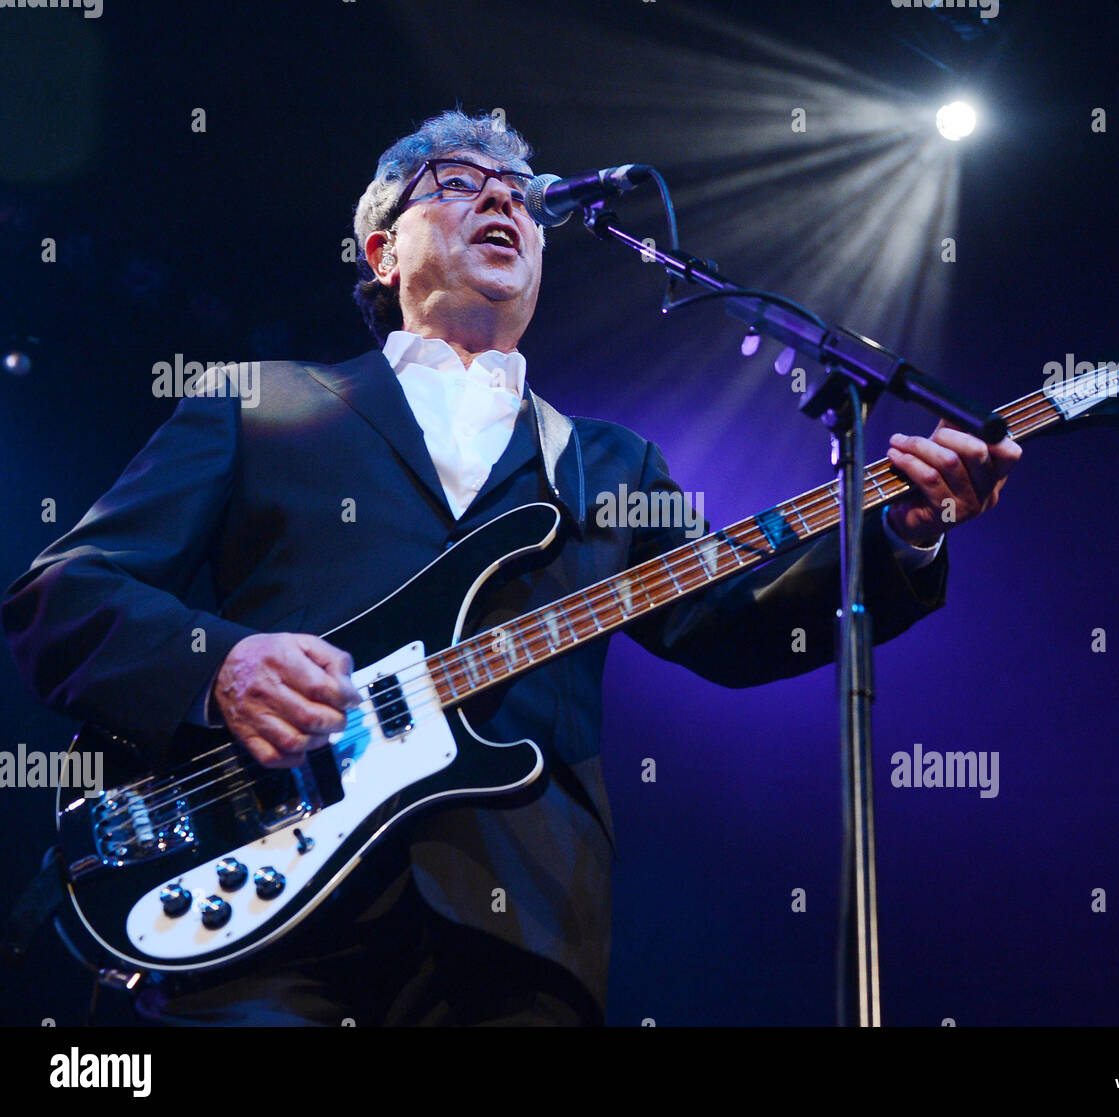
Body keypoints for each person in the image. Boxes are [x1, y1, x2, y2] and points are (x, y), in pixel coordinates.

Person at [2, 110, 1020, 1026]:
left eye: (519, 194)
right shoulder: (262, 401)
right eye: (455, 180)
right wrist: (219, 665)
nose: (500, 195)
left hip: (520, 929)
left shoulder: (608, 459)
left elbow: (740, 622)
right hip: (259, 904)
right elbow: (62, 593)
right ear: (380, 248)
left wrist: (903, 537)